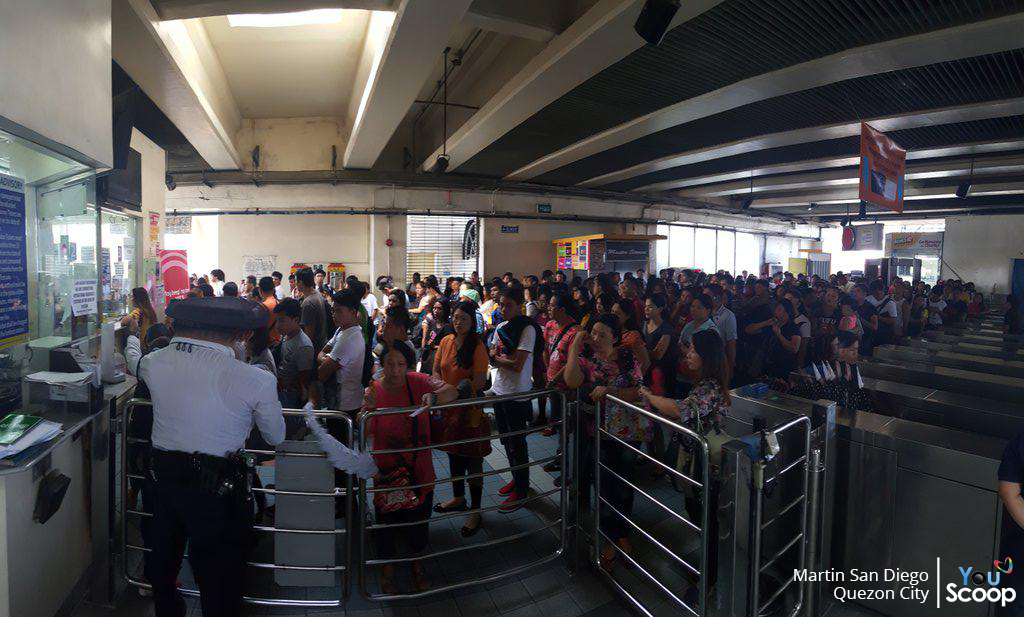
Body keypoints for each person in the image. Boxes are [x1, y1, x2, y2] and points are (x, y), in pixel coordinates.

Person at [140, 296, 285, 617]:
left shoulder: (152, 364)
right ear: (239, 334)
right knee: (221, 584)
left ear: (179, 325)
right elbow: (276, 436)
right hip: (220, 494)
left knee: (163, 571)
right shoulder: (256, 380)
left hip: (163, 487)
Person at [363, 341, 458, 594]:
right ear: (381, 365)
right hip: (386, 471)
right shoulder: (373, 390)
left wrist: (434, 397)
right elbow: (364, 431)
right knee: (386, 523)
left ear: (409, 365)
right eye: (389, 364)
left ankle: (418, 566)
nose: (395, 370)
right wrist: (368, 409)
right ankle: (387, 570)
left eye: (401, 364)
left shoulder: (419, 382)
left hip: (418, 470)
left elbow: (453, 391)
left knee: (419, 521)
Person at [563, 314, 647, 573]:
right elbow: (571, 381)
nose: (596, 338)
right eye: (593, 333)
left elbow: (638, 390)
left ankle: (622, 535)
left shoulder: (626, 357)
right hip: (596, 433)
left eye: (602, 334)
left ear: (614, 336)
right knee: (604, 487)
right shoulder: (587, 359)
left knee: (624, 485)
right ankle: (610, 538)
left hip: (626, 432)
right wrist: (575, 347)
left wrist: (610, 391)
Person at [431, 301, 491, 536]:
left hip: (468, 410)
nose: (458, 322)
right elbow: (435, 368)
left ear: (471, 320)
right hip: (448, 409)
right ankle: (458, 497)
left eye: (463, 318)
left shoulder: (477, 345)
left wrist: (455, 392)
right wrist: (441, 387)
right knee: (453, 453)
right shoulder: (446, 341)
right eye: (455, 317)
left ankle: (475, 510)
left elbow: (478, 381)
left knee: (473, 459)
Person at [488, 286, 542, 512]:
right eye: (501, 304)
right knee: (506, 441)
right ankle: (515, 478)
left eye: (508, 305)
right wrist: (499, 359)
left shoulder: (527, 329)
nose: (503, 309)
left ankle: (522, 490)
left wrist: (498, 359)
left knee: (517, 443)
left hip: (517, 394)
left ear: (520, 304)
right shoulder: (501, 327)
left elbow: (518, 364)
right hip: (499, 389)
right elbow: (491, 356)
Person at [274, 298, 315, 409]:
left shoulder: (303, 346)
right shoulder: (286, 336)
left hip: (291, 397)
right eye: (276, 320)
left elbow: (305, 382)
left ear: (296, 320)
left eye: (281, 320)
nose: (277, 325)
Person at [642, 293, 677, 397]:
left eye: (650, 307)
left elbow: (658, 354)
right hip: (646, 368)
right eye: (646, 306)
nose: (646, 309)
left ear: (660, 309)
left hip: (661, 372)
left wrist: (640, 350)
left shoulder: (666, 329)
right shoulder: (644, 324)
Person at [297, 268, 330, 354]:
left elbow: (309, 336)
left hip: (314, 349)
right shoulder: (317, 294)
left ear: (300, 283)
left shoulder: (308, 303)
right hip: (322, 344)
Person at [706, 286, 736, 372]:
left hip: (718, 359)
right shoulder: (704, 311)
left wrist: (730, 367)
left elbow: (731, 343)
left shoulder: (728, 315)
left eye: (707, 296)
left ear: (716, 297)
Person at [419, 298, 452, 375]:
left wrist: (435, 346)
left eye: (439, 309)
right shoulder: (432, 323)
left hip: (439, 360)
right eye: (434, 308)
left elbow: (448, 347)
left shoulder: (448, 326)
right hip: (428, 358)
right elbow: (427, 339)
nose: (436, 311)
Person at [866, 280, 897, 348]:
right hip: (871, 333)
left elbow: (893, 320)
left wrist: (878, 317)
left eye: (879, 290)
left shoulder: (890, 303)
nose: (877, 293)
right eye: (875, 291)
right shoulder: (868, 299)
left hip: (884, 334)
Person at [258, 276, 280, 345]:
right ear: (273, 289)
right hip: (277, 341)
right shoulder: (278, 303)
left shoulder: (263, 306)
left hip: (267, 342)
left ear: (260, 290)